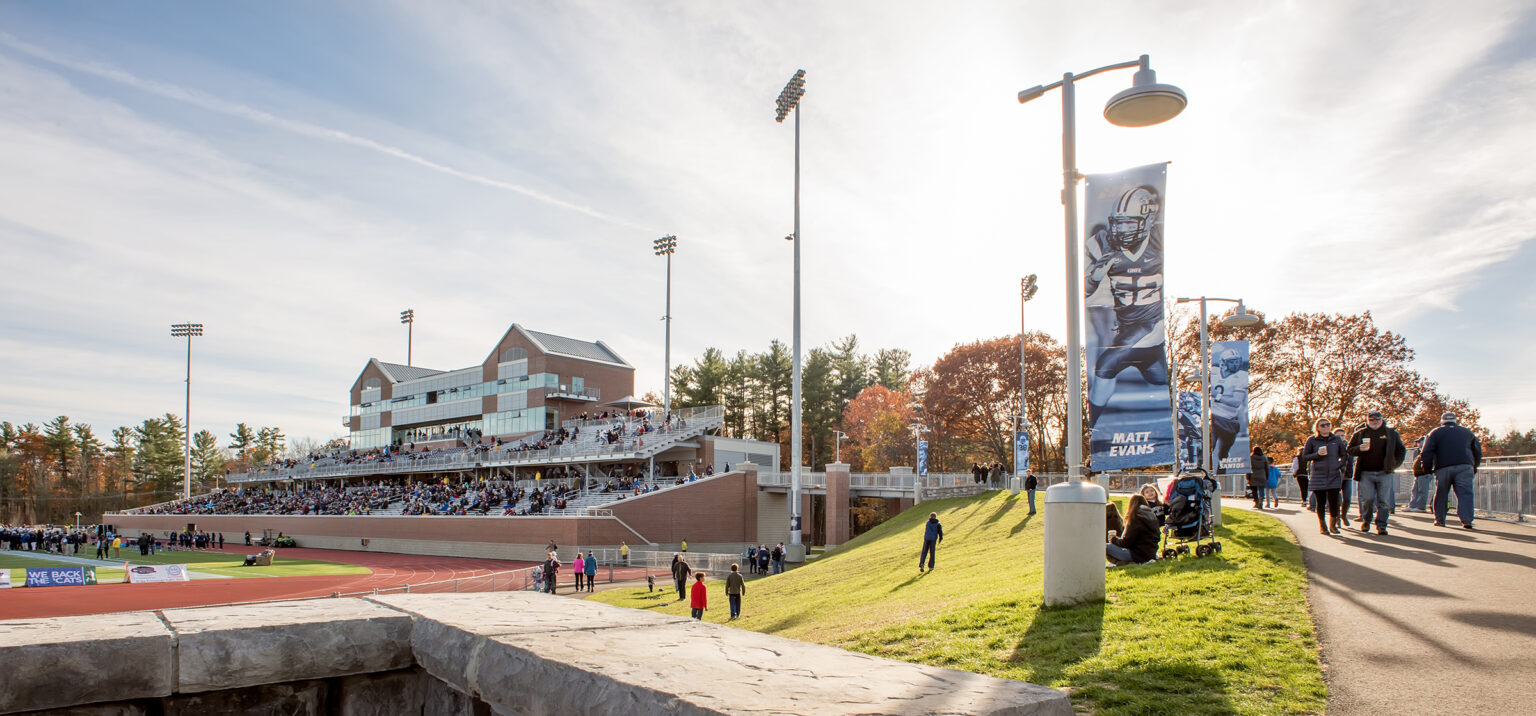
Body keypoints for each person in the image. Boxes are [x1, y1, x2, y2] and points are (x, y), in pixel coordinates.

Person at [1083, 185, 1168, 428]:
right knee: (1159, 378)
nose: (1123, 230)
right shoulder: (1105, 243)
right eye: (1119, 223)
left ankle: (1094, 429)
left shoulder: (1158, 239)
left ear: (1148, 219)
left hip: (1152, 325)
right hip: (1127, 329)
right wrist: (1095, 277)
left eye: (1131, 223)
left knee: (1106, 365)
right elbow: (1087, 292)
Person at [1348, 409, 1407, 535]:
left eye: (1377, 419)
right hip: (1365, 472)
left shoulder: (1391, 433)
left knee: (1383, 501)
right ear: (1367, 421)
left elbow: (1401, 450)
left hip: (1384, 472)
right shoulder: (1360, 433)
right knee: (1367, 499)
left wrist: (1394, 465)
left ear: (1382, 419)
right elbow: (1349, 450)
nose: (1375, 421)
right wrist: (1359, 448)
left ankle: (1381, 525)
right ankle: (1366, 520)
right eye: (1371, 419)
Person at [1421, 412, 1482, 529]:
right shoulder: (1467, 433)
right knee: (1465, 494)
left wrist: (1427, 468)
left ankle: (1440, 519)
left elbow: (1426, 452)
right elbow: (1477, 451)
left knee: (1441, 493)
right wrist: (1474, 466)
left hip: (1443, 467)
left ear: (1442, 421)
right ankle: (1467, 520)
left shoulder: (1435, 432)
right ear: (1455, 420)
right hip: (1465, 466)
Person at [1300, 418, 1348, 535]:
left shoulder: (1336, 439)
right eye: (1323, 425)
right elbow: (1305, 456)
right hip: (1318, 475)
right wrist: (1317, 454)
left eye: (1328, 424)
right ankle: (1323, 525)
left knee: (1334, 502)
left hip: (1334, 474)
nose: (1326, 427)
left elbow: (1344, 454)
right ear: (1317, 428)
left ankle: (1333, 525)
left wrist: (1340, 465)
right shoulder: (1312, 440)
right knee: (1320, 502)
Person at [1107, 494, 1161, 566]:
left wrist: (1113, 539)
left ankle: (1122, 562)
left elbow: (1125, 543)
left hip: (1137, 555)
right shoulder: (1152, 516)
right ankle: (1125, 562)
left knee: (1105, 547)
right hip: (1151, 553)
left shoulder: (1135, 519)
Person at [1333, 427, 1355, 528]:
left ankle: (1344, 515)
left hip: (1347, 475)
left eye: (1342, 435)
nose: (1341, 437)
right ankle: (1337, 518)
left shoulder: (1349, 446)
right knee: (1337, 499)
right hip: (1335, 476)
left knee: (1347, 498)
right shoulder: (1332, 446)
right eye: (1338, 436)